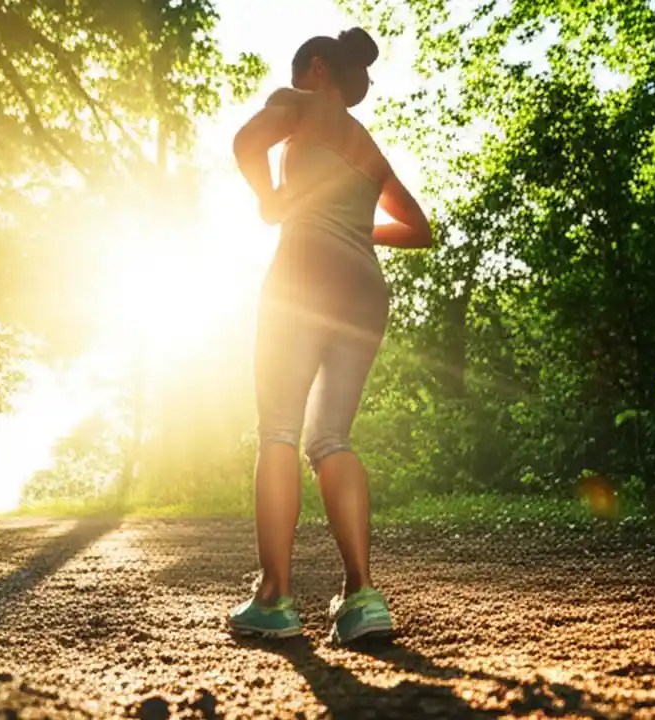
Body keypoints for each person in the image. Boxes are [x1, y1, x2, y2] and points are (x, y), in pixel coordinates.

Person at [229, 27, 432, 643]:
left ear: (317, 69)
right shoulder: (368, 146)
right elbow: (418, 227)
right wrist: (353, 231)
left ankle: (274, 598)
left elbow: (245, 141)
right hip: (365, 287)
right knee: (332, 437)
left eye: (299, 75)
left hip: (303, 270)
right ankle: (362, 597)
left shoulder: (298, 103)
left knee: (281, 431)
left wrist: (271, 200)